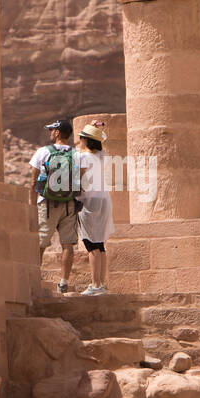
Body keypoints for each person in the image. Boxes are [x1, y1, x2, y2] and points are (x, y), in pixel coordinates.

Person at [30, 118, 79, 293]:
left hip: (47, 203)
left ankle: (35, 277)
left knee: (41, 242)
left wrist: (32, 203)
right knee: (68, 244)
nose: (50, 133)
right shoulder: (76, 154)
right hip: (69, 204)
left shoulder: (43, 152)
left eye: (52, 130)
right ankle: (64, 281)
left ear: (57, 133)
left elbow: (33, 180)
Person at [73, 121, 115, 295]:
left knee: (91, 245)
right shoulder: (102, 155)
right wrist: (95, 128)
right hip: (104, 200)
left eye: (81, 138)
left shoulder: (82, 157)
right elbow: (101, 139)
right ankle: (101, 284)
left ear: (86, 140)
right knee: (100, 244)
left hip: (89, 201)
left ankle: (95, 284)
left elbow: (80, 180)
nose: (79, 140)